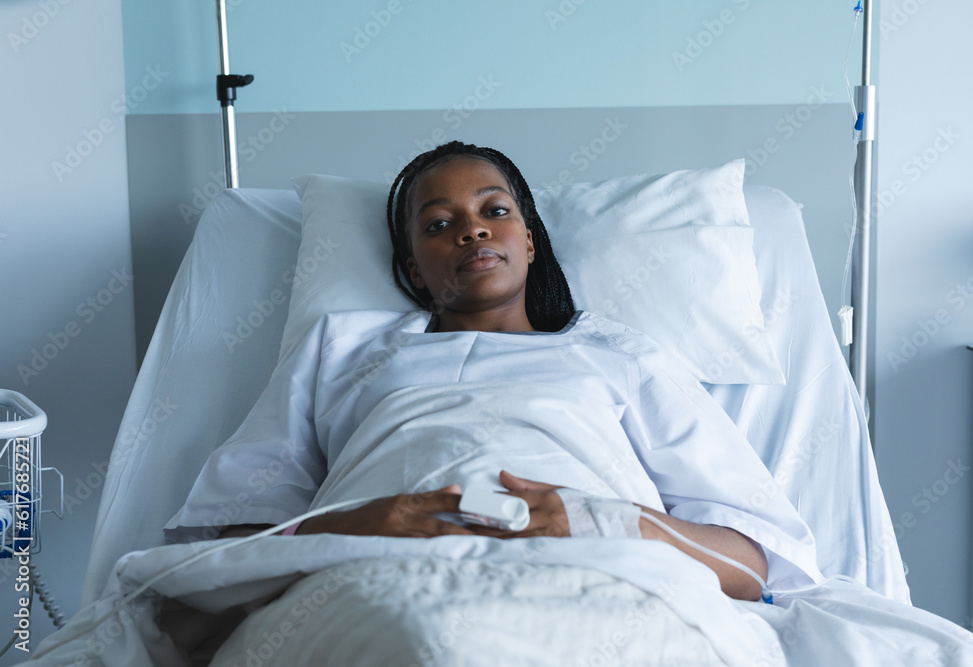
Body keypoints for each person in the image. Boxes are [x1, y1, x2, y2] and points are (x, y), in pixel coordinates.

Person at [165, 141, 822, 602]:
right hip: (376, 579)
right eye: (439, 223)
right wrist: (367, 522)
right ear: (414, 267)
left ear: (529, 241)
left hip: (608, 578)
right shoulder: (340, 349)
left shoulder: (621, 354)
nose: (472, 232)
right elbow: (224, 554)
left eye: (494, 211)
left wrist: (598, 522)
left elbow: (753, 564)